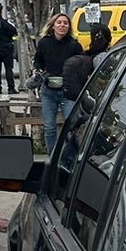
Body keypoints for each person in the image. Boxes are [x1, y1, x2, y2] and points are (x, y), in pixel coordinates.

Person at [32, 13, 80, 155]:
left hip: (67, 91)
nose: (62, 25)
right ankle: (52, 156)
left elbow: (81, 63)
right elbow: (38, 61)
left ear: (69, 27)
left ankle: (71, 155)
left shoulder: (74, 45)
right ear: (53, 25)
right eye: (59, 22)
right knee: (49, 127)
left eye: (65, 23)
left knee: (71, 125)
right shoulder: (44, 43)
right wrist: (37, 71)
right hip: (48, 90)